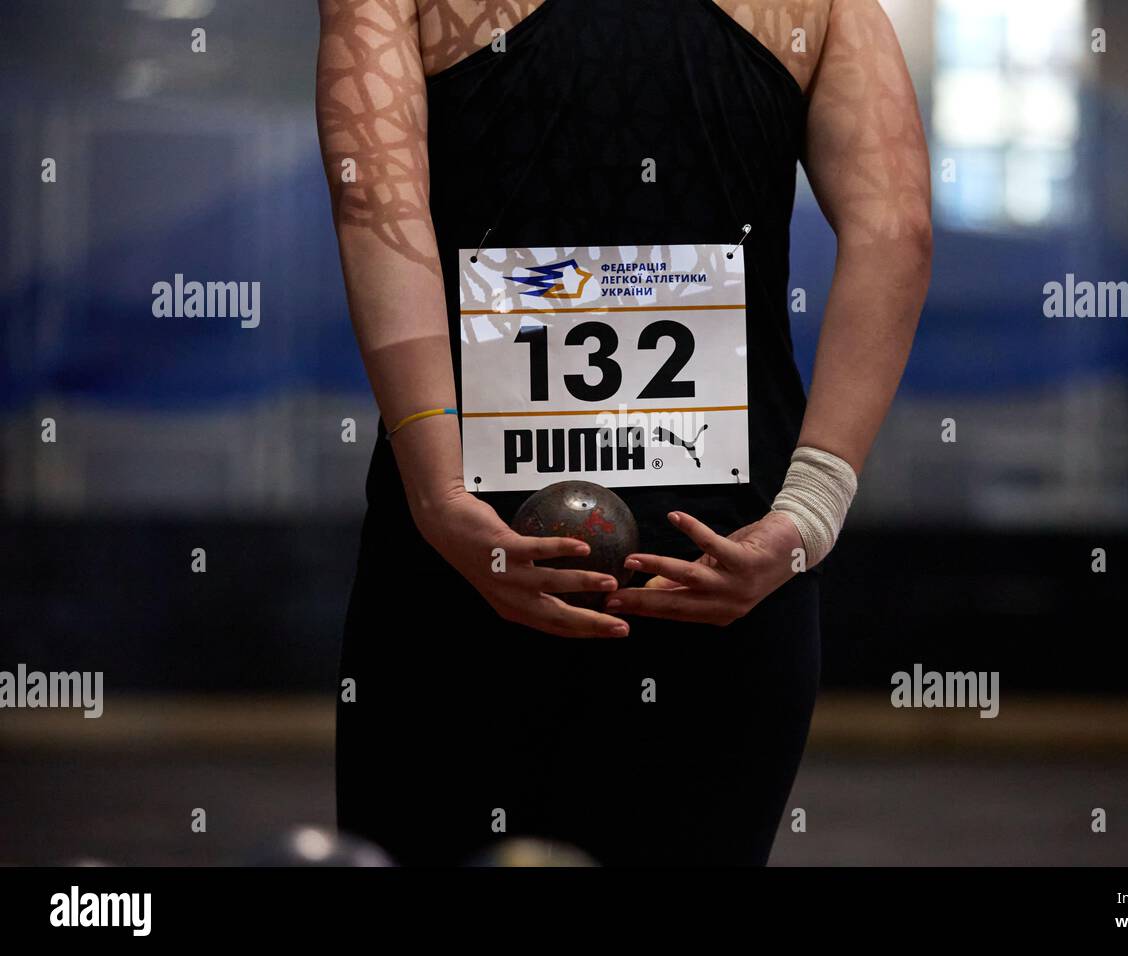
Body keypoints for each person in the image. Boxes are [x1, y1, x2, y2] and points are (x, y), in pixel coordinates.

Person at [316, 0, 930, 865]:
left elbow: (372, 201)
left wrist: (440, 493)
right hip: (726, 562)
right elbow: (896, 232)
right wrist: (807, 518)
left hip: (472, 557)